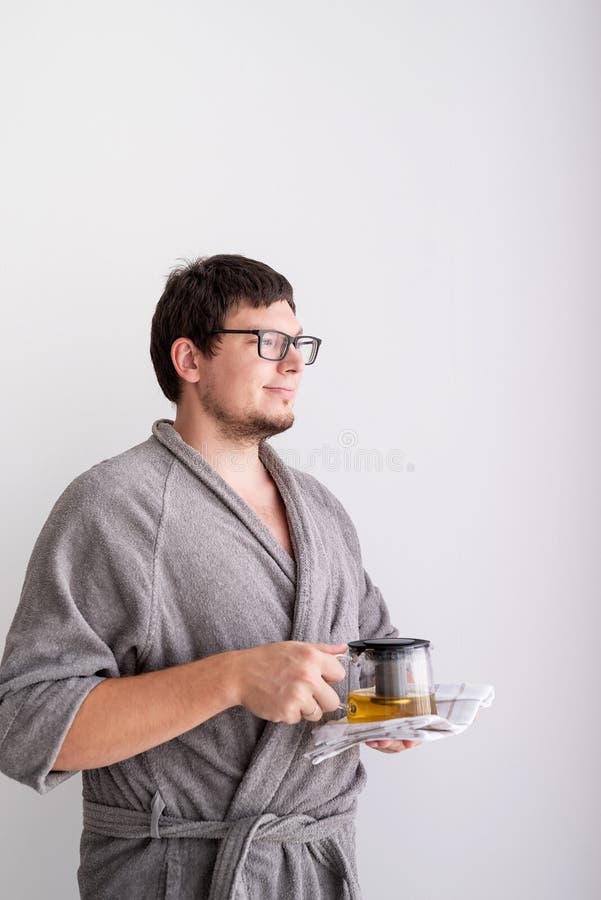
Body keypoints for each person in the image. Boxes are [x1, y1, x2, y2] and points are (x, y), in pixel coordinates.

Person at [0, 254, 418, 899]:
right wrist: (228, 678)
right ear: (190, 360)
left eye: (300, 343)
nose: (294, 363)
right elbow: (27, 724)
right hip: (177, 876)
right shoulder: (112, 507)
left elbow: (367, 663)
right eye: (268, 342)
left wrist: (391, 714)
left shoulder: (322, 510)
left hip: (315, 868)